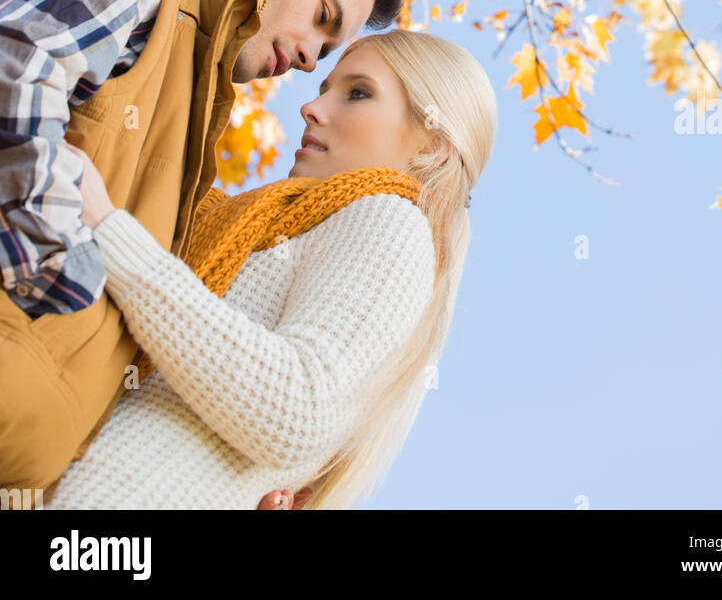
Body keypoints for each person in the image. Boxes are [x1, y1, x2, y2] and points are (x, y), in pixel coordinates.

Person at [0, 0, 403, 495]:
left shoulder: (190, 100)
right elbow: (15, 61)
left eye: (325, 52)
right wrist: (59, 280)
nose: (307, 60)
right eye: (322, 16)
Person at [42, 28, 497, 511]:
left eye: (358, 93)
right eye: (324, 89)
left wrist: (111, 232)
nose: (313, 108)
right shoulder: (290, 229)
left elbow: (298, 410)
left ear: (433, 147)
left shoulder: (391, 219)